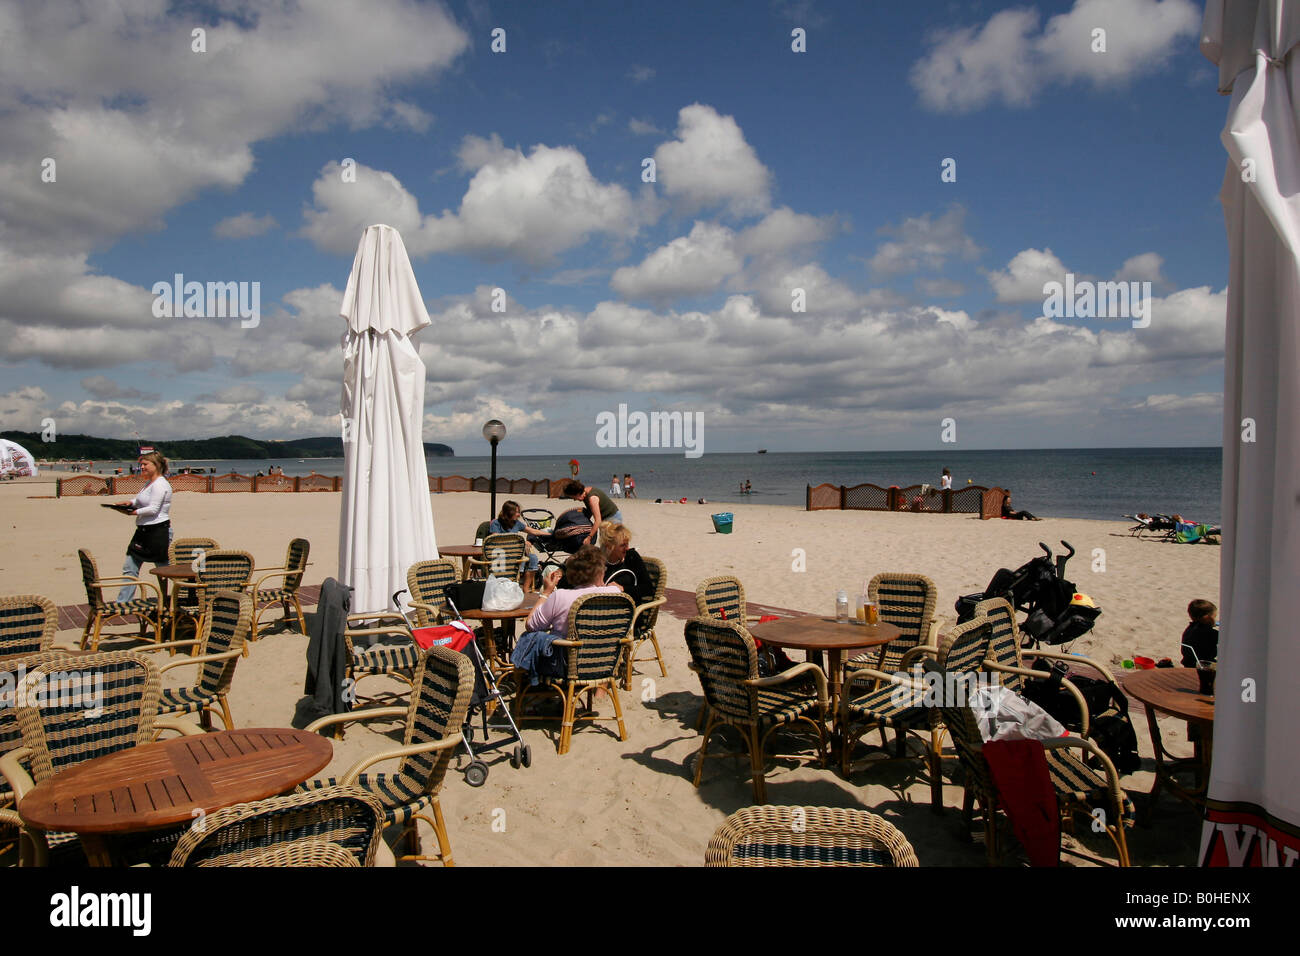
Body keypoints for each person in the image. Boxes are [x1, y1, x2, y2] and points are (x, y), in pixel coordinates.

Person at [513, 545, 620, 684]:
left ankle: (524, 681)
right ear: (599, 573)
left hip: (565, 665)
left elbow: (531, 625)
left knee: (528, 637)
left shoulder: (560, 596)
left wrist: (546, 593)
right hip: (602, 661)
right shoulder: (614, 593)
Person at [115, 451, 174, 601]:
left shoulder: (161, 484)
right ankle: (123, 602)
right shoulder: (149, 483)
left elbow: (153, 509)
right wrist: (130, 503)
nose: (142, 467)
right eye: (141, 464)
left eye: (145, 464)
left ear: (157, 465)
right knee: (130, 567)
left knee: (164, 570)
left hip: (157, 532)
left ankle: (170, 599)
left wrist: (133, 513)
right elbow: (141, 499)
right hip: (143, 531)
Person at [564, 521, 654, 605]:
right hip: (598, 608)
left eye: (627, 544)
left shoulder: (631, 557)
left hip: (627, 610)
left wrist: (623, 588)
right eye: (623, 545)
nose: (627, 548)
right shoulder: (597, 559)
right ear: (609, 545)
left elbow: (648, 589)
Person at [489, 499, 551, 590]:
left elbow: (531, 530)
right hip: (501, 552)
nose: (519, 515)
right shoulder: (496, 523)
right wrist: (520, 542)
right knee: (521, 553)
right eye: (516, 512)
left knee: (533, 558)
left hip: (516, 552)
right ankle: (518, 575)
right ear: (508, 513)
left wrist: (550, 534)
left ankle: (525, 589)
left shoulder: (516, 523)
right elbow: (495, 539)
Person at [561, 479, 621, 544]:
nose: (575, 500)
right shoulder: (585, 493)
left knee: (613, 544)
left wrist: (589, 537)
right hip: (604, 518)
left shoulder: (592, 498)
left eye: (574, 497)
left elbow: (598, 521)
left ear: (578, 493)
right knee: (605, 544)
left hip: (612, 517)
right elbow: (590, 512)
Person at [1180, 599, 1219, 667]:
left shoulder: (1190, 629)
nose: (1215, 620)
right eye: (1214, 617)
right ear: (1207, 618)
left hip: (1188, 664)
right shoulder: (1210, 633)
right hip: (1203, 665)